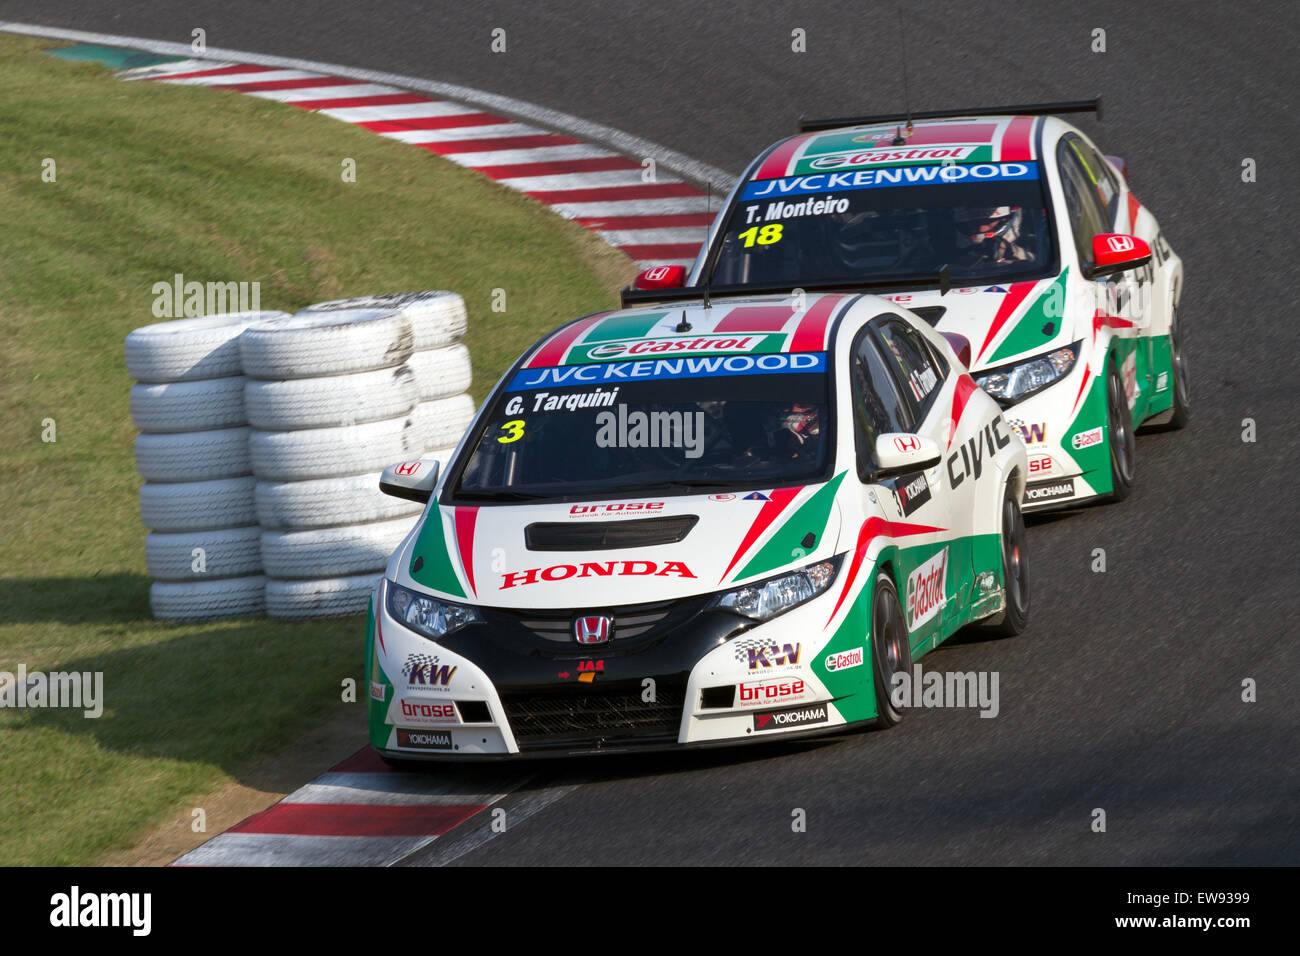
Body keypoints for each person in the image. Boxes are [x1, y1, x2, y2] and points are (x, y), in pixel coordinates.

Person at [953, 205, 1036, 266]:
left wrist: (1013, 251)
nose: (981, 228)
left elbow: (1038, 264)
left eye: (987, 222)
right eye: (973, 223)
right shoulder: (949, 244)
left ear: (1005, 218)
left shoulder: (1034, 238)